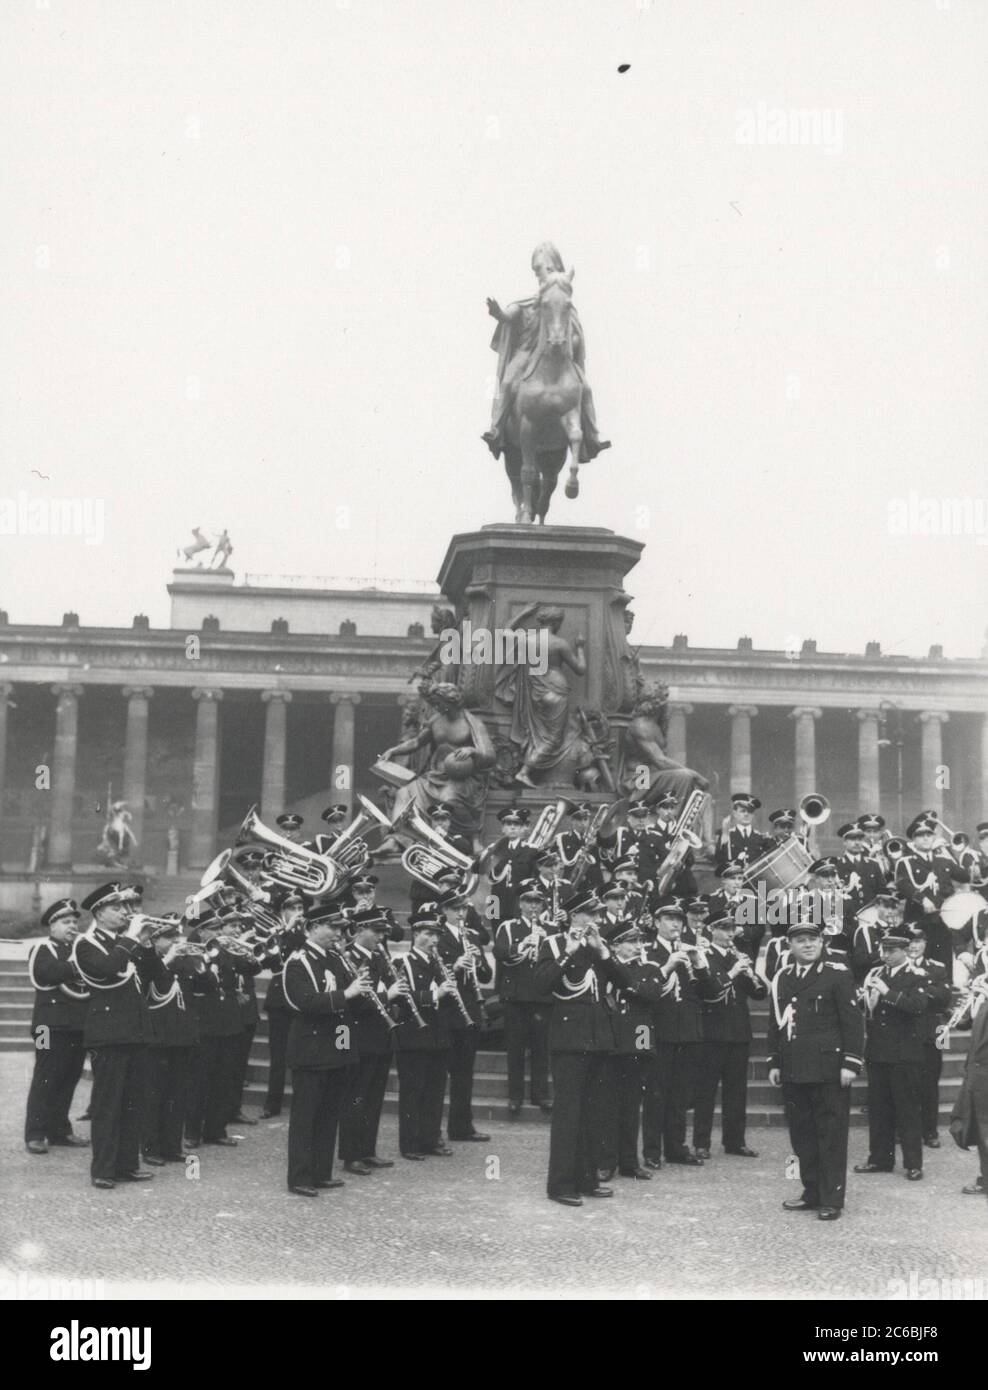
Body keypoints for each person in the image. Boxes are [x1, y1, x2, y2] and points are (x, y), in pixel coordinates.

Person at [534, 892, 627, 1206]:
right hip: (569, 1039)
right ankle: (560, 1185)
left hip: (598, 1039)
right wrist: (568, 953)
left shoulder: (596, 947)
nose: (597, 921)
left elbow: (624, 981)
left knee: (592, 1113)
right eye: (591, 915)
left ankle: (586, 1179)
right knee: (568, 1114)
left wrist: (604, 954)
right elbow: (543, 984)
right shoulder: (553, 944)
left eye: (599, 915)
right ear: (574, 916)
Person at [767, 920, 864, 1221]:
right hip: (794, 1067)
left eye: (813, 939)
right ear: (790, 946)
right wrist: (774, 1061)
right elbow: (777, 1023)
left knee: (831, 1134)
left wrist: (850, 1062)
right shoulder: (782, 977)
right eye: (801, 941)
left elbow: (852, 1021)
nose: (808, 945)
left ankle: (832, 1198)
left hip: (828, 1068)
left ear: (822, 943)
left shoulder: (837, 974)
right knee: (802, 1134)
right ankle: (811, 1191)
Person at [283, 905, 371, 1197]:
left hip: (336, 1046)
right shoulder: (298, 961)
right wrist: (346, 994)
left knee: (329, 1114)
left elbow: (350, 1001)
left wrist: (365, 991)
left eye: (339, 928)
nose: (337, 934)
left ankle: (321, 1172)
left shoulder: (335, 958)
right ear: (313, 926)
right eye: (332, 928)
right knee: (305, 1117)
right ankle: (299, 1177)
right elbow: (303, 1002)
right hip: (310, 1049)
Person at [71, 883, 153, 1190]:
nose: (124, 913)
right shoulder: (86, 943)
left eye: (124, 908)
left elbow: (152, 976)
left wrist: (144, 945)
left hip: (134, 1032)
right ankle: (103, 1169)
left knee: (133, 1103)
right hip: (107, 1034)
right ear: (99, 912)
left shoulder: (124, 942)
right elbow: (106, 969)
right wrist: (131, 940)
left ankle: (127, 1165)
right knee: (108, 1105)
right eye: (117, 908)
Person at [641, 902, 717, 1168]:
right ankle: (651, 1151)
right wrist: (670, 964)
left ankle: (676, 1147)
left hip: (688, 1030)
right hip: (659, 1030)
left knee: (681, 1095)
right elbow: (645, 990)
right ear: (657, 922)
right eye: (669, 919)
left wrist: (699, 963)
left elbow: (710, 992)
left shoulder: (690, 950)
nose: (675, 924)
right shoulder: (648, 951)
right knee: (656, 1093)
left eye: (678, 920)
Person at [853, 928, 931, 1182]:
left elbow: (917, 1007)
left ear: (904, 951)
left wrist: (886, 992)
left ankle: (913, 1163)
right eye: (883, 950)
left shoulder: (917, 975)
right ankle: (880, 1159)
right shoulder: (876, 973)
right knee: (879, 1109)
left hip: (904, 1053)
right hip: (878, 1051)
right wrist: (863, 997)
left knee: (906, 1109)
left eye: (891, 950)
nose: (885, 955)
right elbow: (869, 1011)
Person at [692, 915, 766, 1160]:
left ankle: (735, 1141)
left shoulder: (737, 955)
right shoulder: (704, 956)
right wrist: (734, 971)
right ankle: (701, 1143)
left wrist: (752, 974)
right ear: (711, 930)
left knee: (737, 1091)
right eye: (724, 929)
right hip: (712, 1031)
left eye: (732, 929)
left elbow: (758, 994)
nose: (730, 934)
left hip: (738, 1030)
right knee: (706, 1090)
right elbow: (708, 989)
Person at [597, 920, 666, 1181]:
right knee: (607, 1105)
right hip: (610, 1041)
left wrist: (645, 1050)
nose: (638, 946)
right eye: (631, 942)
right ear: (615, 946)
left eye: (640, 941)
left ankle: (629, 1161)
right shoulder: (603, 968)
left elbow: (650, 994)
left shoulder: (650, 967)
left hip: (638, 1040)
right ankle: (606, 1161)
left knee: (631, 1104)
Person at [25, 898, 90, 1154]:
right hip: (46, 1027)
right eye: (66, 922)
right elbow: (47, 974)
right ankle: (35, 1133)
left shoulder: (77, 950)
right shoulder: (42, 948)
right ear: (52, 926)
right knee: (45, 1076)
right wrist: (78, 966)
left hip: (75, 1025)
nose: (72, 926)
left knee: (69, 1078)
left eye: (75, 921)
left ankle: (59, 1130)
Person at [143, 919, 209, 1165]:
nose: (176, 942)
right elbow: (148, 990)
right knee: (154, 1095)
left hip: (182, 1036)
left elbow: (208, 987)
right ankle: (150, 1148)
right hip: (158, 1037)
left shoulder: (184, 964)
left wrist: (201, 964)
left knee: (177, 1094)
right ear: (155, 940)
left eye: (177, 937)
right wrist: (168, 959)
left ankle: (171, 1146)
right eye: (169, 938)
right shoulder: (149, 962)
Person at [393, 905, 457, 1159]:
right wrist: (435, 994)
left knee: (435, 1090)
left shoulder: (439, 964)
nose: (433, 940)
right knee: (413, 1091)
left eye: (437, 935)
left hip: (438, 1035)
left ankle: (430, 1138)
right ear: (415, 933)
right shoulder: (403, 962)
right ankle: (410, 1143)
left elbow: (447, 1000)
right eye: (428, 934)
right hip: (413, 1037)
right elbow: (401, 998)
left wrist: (451, 992)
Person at [339, 909, 400, 1173]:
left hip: (381, 1035)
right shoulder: (348, 958)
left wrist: (393, 998)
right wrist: (389, 994)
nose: (381, 936)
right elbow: (357, 1002)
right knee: (356, 1097)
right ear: (360, 929)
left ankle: (367, 1149)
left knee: (374, 1097)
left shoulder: (379, 957)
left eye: (383, 931)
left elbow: (387, 988)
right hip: (360, 1036)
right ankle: (351, 1154)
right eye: (376, 931)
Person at [493, 882, 555, 1115]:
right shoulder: (508, 927)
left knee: (541, 1049)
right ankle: (515, 1096)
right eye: (529, 901)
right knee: (515, 1049)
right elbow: (499, 952)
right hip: (516, 996)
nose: (533, 906)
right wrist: (523, 944)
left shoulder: (551, 928)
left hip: (541, 996)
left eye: (537, 902)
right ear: (520, 904)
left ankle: (540, 1095)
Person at [436, 891, 492, 1144]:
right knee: (439, 1075)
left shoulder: (473, 936)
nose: (461, 914)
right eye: (456, 909)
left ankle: (462, 1127)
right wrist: (456, 966)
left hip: (469, 1009)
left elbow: (485, 975)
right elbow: (434, 973)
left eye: (464, 909)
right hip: (447, 1012)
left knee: (464, 1074)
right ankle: (432, 1132)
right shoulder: (437, 936)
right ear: (445, 910)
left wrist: (478, 961)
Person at [895, 817, 969, 969]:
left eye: (929, 835)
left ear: (934, 837)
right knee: (919, 965)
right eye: (921, 835)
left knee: (944, 965)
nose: (926, 838)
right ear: (913, 840)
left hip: (943, 922)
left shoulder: (944, 861)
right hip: (919, 920)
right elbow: (903, 885)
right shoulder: (906, 862)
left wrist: (951, 852)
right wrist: (922, 900)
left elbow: (965, 876)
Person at [905, 925, 951, 1149]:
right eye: (910, 941)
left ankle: (930, 1131)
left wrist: (920, 986)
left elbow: (944, 998)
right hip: (903, 1032)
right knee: (903, 1084)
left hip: (931, 1032)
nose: (914, 946)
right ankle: (902, 1129)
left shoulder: (937, 968)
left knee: (930, 1083)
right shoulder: (895, 967)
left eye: (918, 941)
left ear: (925, 943)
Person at [714, 794, 772, 874]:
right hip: (735, 883)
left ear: (753, 815)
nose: (746, 814)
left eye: (750, 811)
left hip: (756, 884)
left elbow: (764, 872)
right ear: (735, 813)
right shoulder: (727, 836)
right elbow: (719, 863)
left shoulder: (761, 838)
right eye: (742, 811)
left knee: (763, 883)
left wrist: (761, 887)